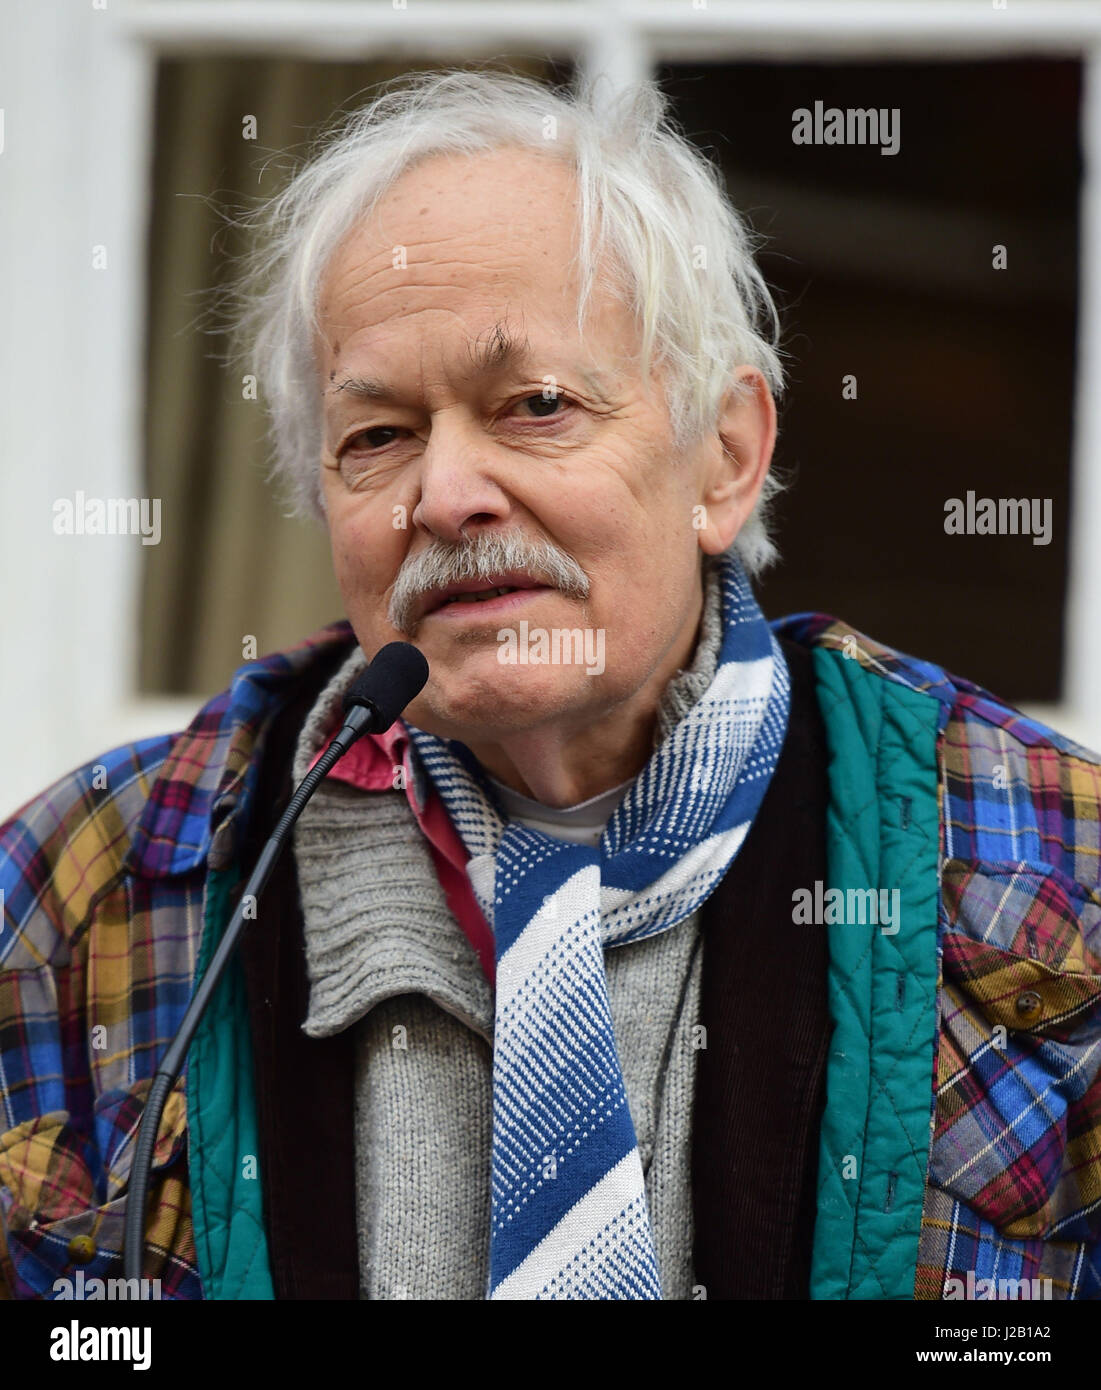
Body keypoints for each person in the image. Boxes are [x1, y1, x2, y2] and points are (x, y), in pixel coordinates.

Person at [2, 68, 1099, 1302]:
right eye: (377, 437)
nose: (445, 495)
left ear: (725, 458)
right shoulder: (72, 897)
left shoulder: (1053, 864)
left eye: (535, 405)